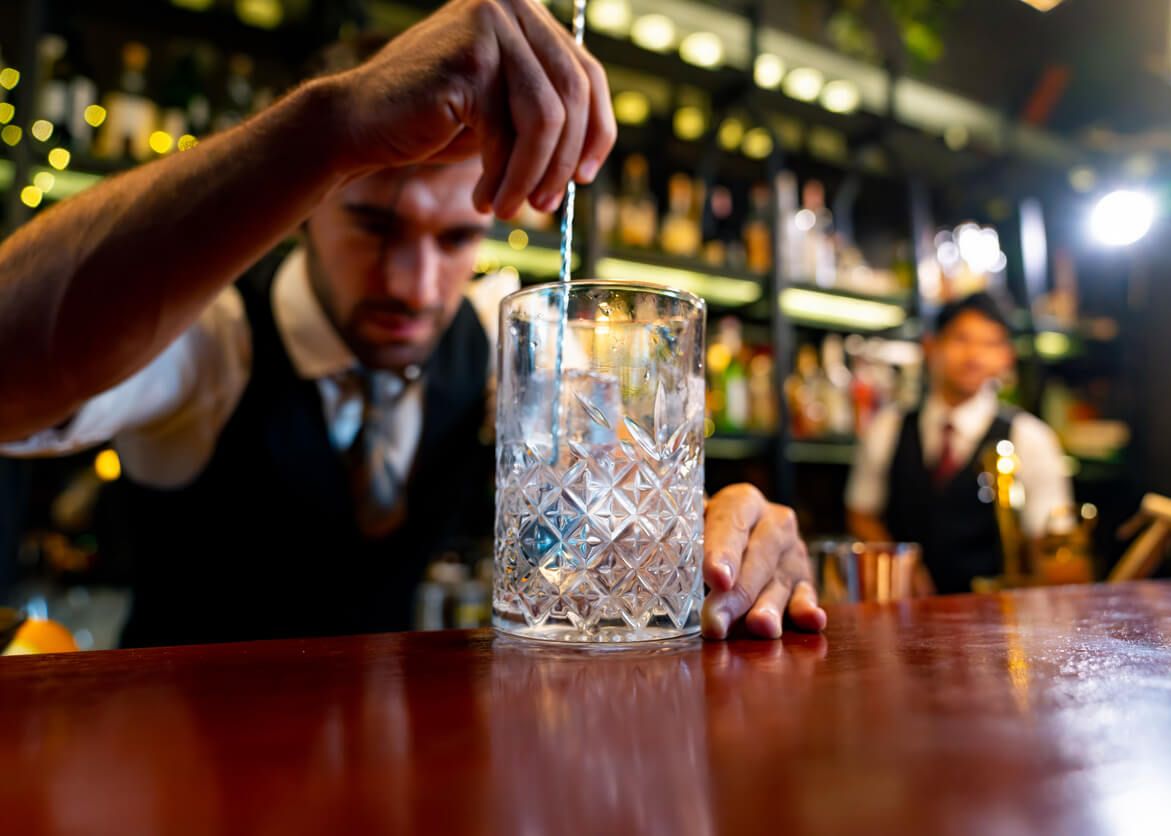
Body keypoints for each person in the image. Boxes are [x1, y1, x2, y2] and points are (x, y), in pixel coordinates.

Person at [0, 0, 823, 645]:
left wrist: (725, 538)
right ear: (304, 212)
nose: (415, 284)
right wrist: (325, 130)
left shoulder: (498, 340)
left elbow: (612, 504)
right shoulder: (215, 333)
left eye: (457, 237)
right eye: (373, 225)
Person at [845, 292, 1073, 595]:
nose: (974, 356)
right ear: (931, 346)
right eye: (961, 339)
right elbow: (861, 513)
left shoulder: (1030, 438)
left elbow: (1049, 540)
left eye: (989, 343)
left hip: (996, 613)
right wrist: (902, 568)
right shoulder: (889, 427)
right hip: (905, 610)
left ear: (1006, 357)